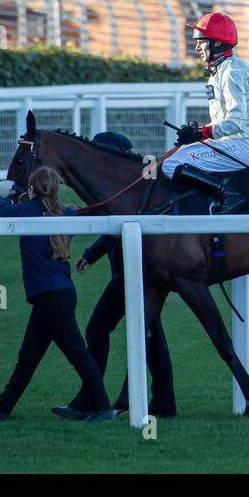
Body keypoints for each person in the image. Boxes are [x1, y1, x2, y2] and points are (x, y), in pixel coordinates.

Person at [0, 166, 114, 423]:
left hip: (50, 298)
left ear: (32, 189)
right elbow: (67, 213)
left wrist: (2, 195)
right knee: (29, 356)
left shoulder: (29, 210)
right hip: (57, 295)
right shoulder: (64, 212)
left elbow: (0, 214)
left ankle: (102, 408)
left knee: (77, 354)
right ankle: (2, 408)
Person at [77, 131, 176, 417]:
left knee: (97, 329)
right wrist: (91, 255)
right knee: (151, 336)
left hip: (132, 275)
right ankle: (160, 404)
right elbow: (111, 231)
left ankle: (92, 398)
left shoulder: (126, 189)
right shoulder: (126, 189)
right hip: (136, 274)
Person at [162, 11, 249, 213]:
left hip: (242, 145)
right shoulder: (221, 69)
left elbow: (236, 123)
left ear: (216, 43)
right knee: (177, 156)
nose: (197, 46)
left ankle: (228, 195)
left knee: (169, 165)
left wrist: (201, 133)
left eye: (201, 41)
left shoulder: (232, 71)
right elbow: (223, 121)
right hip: (229, 142)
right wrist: (197, 132)